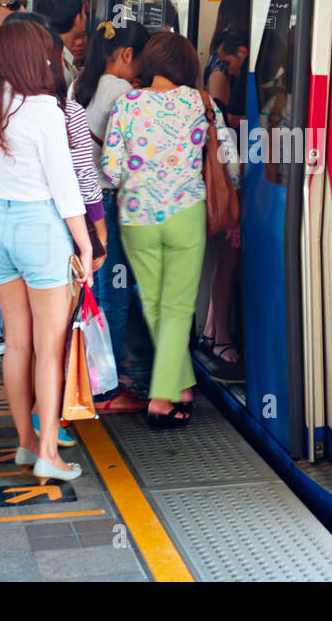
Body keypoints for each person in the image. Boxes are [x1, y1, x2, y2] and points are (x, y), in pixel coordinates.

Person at [0, 15, 94, 483]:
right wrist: (85, 244)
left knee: (17, 345)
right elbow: (65, 188)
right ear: (33, 56)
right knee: (49, 348)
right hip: (41, 226)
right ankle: (48, 453)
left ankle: (25, 442)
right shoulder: (44, 109)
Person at [102, 32, 238, 428]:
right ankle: (163, 397)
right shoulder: (200, 102)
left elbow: (110, 170)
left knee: (155, 303)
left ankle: (181, 387)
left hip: (137, 217)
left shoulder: (127, 103)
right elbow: (228, 161)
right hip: (185, 214)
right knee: (176, 306)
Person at [75, 18, 151, 411]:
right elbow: (133, 154)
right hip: (107, 201)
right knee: (115, 295)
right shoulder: (121, 92)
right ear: (126, 55)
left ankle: (95, 377)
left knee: (94, 292)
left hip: (82, 204)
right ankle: (108, 386)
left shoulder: (80, 85)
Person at [199, 0, 251, 382]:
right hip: (231, 183)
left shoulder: (236, 73)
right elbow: (226, 126)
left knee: (227, 260)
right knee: (227, 260)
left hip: (232, 180)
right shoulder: (228, 77)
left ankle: (211, 330)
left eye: (231, 62)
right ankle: (218, 335)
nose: (228, 70)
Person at [35, 0, 86, 87]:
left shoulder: (42, 54)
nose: (86, 17)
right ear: (77, 19)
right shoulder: (60, 67)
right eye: (84, 13)